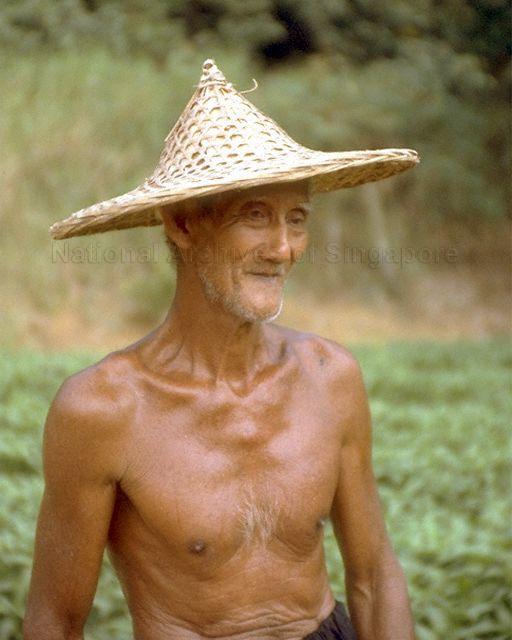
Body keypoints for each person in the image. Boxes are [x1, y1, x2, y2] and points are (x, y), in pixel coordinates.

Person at [24, 60, 419, 640]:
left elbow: (374, 577)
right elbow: (55, 619)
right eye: (254, 216)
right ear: (183, 226)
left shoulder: (329, 375)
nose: (283, 248)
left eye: (297, 219)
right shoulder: (102, 409)